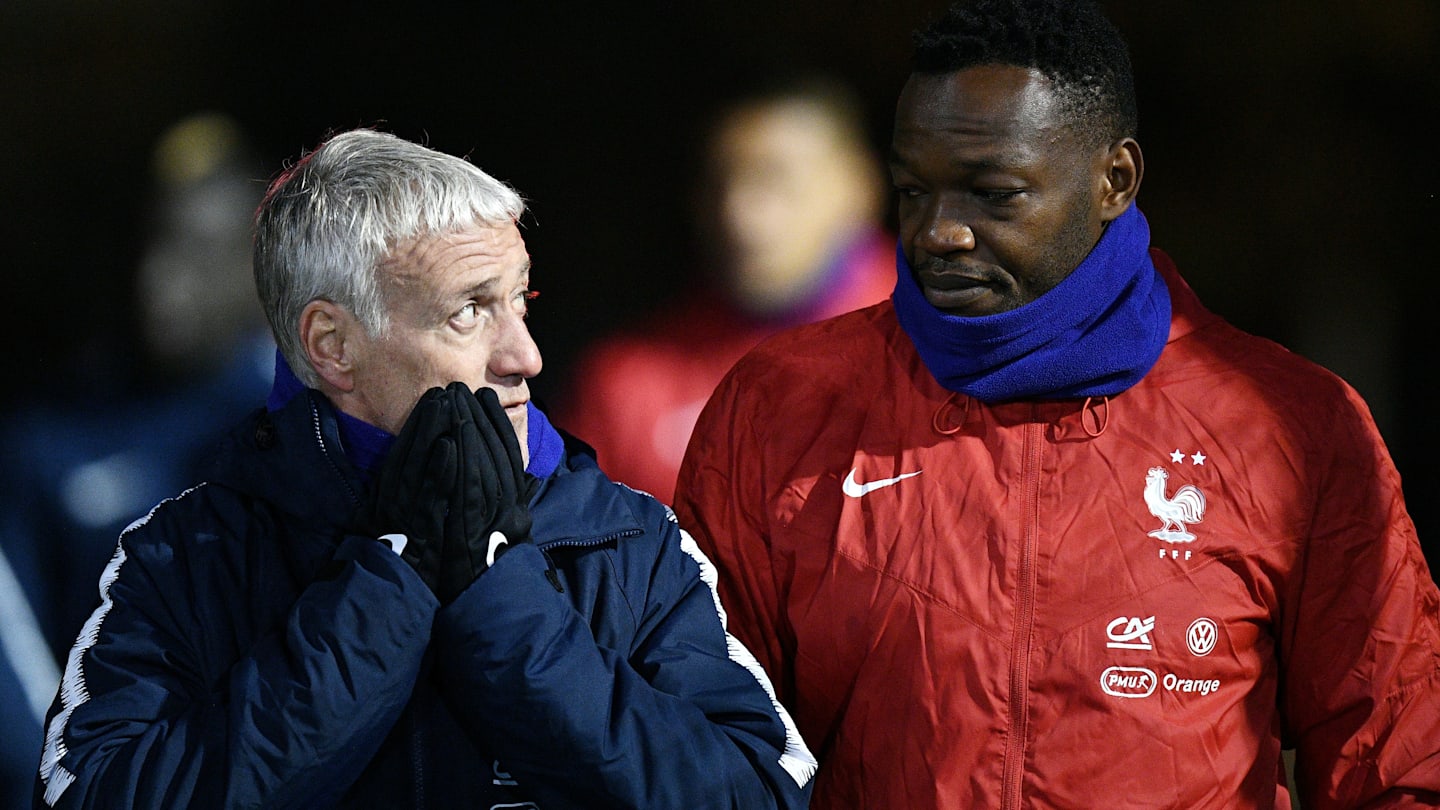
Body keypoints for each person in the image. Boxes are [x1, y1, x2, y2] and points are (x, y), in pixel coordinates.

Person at [673, 1, 1440, 807]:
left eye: (992, 194)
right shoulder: (780, 407)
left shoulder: (1289, 427)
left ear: (1115, 181)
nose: (940, 232)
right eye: (912, 191)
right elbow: (706, 755)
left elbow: (1399, 764)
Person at [35, 128, 815, 809]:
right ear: (331, 346)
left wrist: (500, 604)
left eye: (521, 300)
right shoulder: (183, 557)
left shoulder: (630, 540)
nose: (526, 356)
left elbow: (764, 791)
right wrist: (385, 591)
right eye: (469, 310)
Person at [557, 76, 893, 504]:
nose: (739, 216)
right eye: (720, 183)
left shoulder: (959, 340)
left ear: (859, 183)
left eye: (777, 181)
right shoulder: (629, 385)